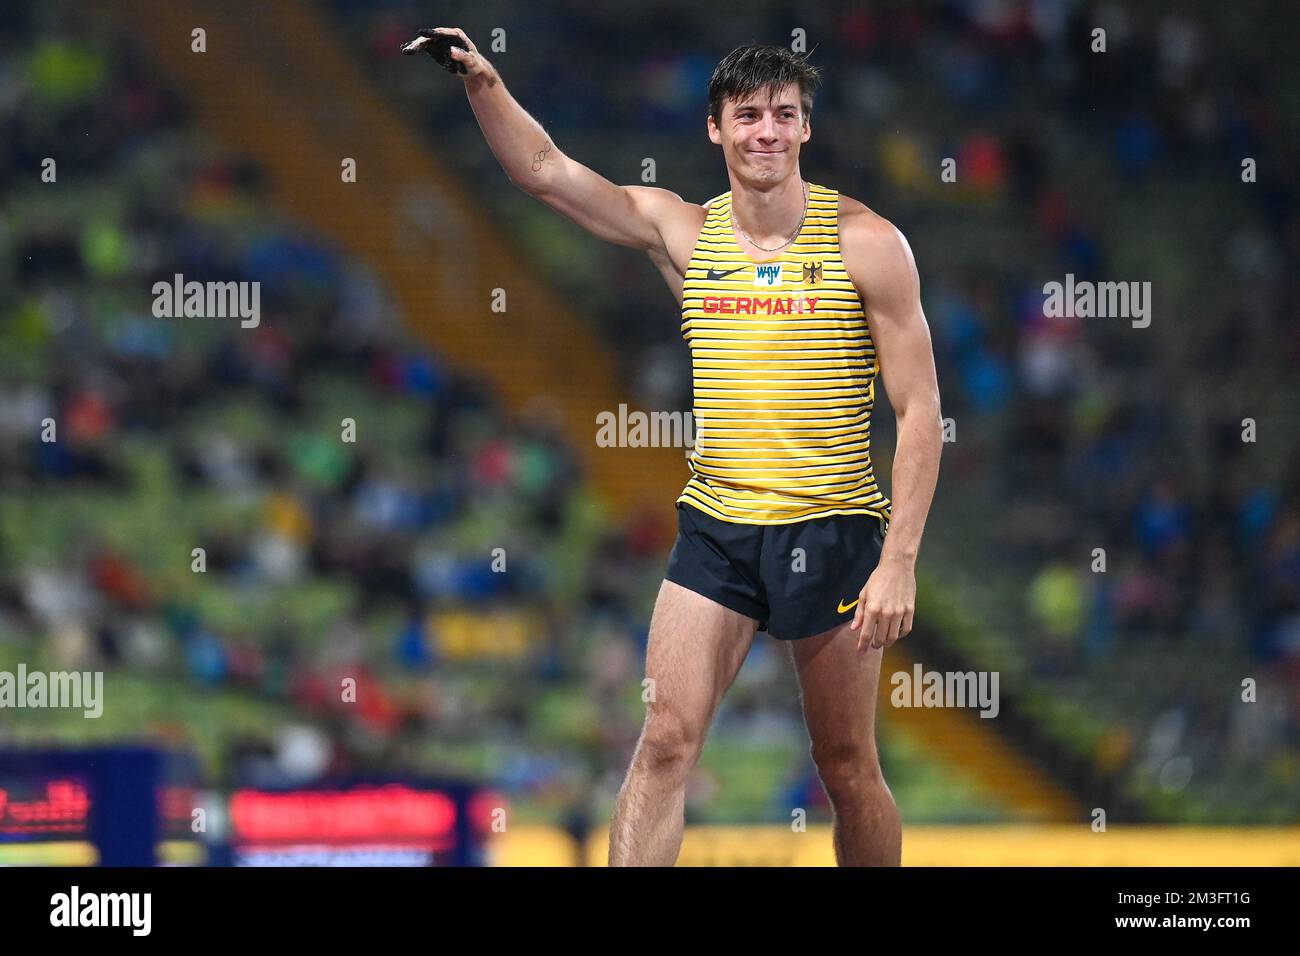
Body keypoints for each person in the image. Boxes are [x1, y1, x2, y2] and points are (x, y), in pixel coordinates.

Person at [412, 29, 943, 866]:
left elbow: (920, 413)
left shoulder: (866, 242)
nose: (765, 132)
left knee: (845, 766)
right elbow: (544, 171)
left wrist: (900, 560)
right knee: (663, 743)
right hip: (719, 527)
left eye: (783, 115)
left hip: (832, 527)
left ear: (806, 128)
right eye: (748, 116)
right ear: (715, 129)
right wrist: (482, 81)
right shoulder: (687, 233)